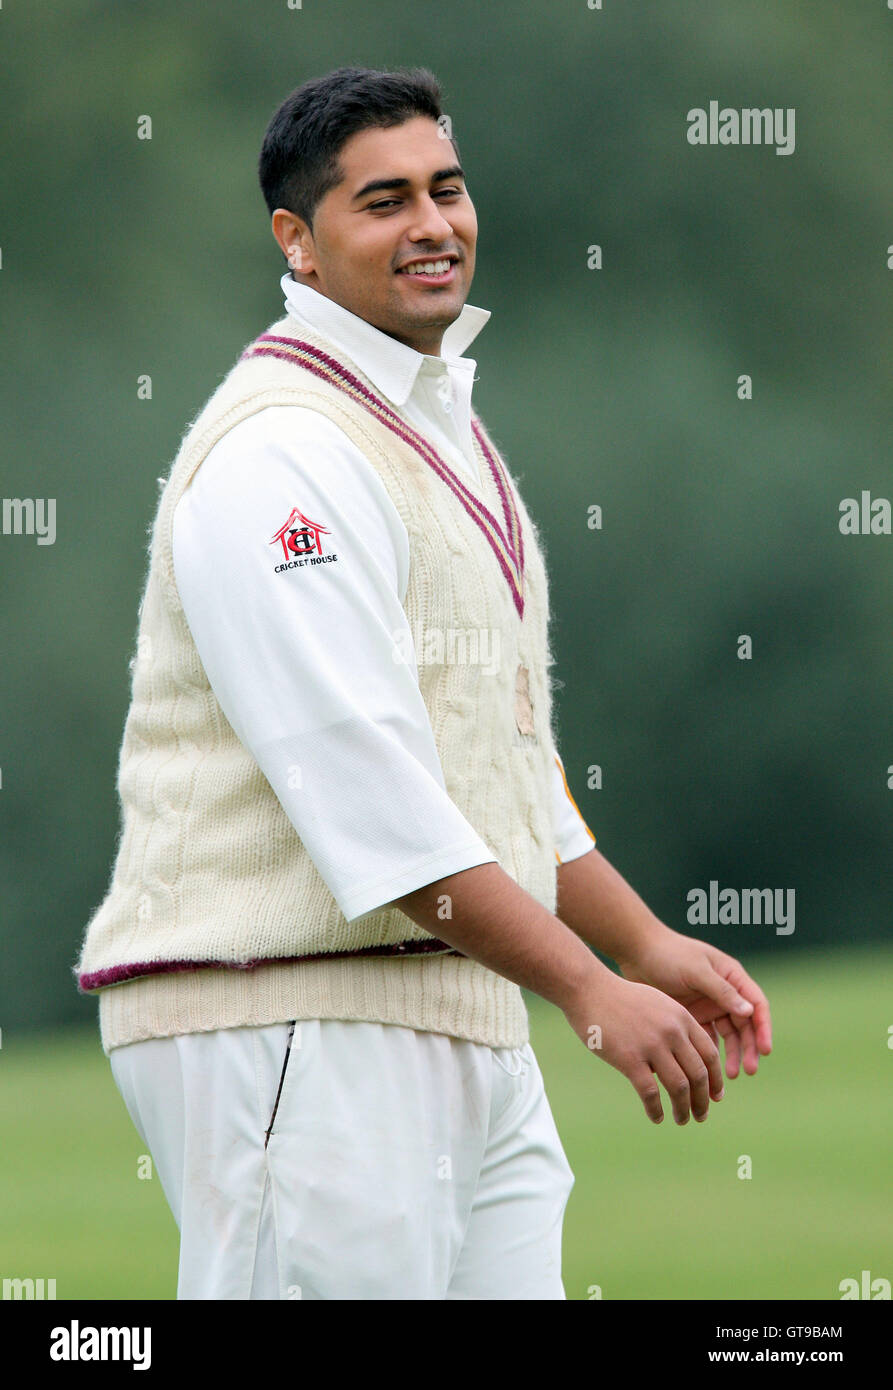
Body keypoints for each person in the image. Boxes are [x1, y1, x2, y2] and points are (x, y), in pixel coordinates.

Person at [74, 64, 772, 1301]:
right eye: (382, 201)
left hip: (450, 1012)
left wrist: (640, 942)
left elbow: (495, 765)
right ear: (295, 240)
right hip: (289, 1015)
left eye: (445, 190)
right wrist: (586, 988)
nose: (433, 225)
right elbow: (367, 794)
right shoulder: (284, 448)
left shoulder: (432, 423)